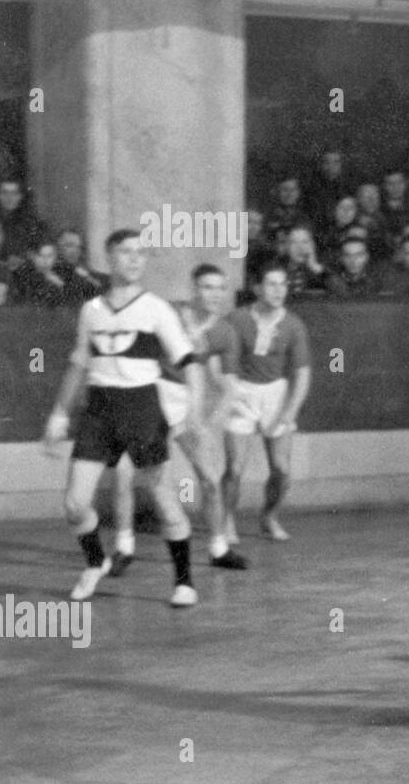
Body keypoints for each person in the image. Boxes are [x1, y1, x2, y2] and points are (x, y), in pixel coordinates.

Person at [42, 229, 205, 607]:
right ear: (109, 258)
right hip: (99, 412)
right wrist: (58, 414)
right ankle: (95, 562)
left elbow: (189, 364)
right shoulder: (91, 311)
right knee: (74, 504)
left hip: (143, 410)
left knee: (163, 498)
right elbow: (78, 363)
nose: (135, 259)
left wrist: (194, 413)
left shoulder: (156, 309)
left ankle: (184, 582)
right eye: (126, 252)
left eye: (141, 253)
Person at [109, 264, 249, 576]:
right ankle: (124, 546)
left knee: (210, 479)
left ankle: (219, 548)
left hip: (189, 402)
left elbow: (229, 386)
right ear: (193, 289)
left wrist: (208, 424)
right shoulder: (168, 312)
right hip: (152, 395)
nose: (214, 294)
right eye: (207, 287)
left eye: (220, 288)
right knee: (124, 473)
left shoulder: (225, 331)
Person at [222, 263, 312, 543]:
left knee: (282, 471)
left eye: (283, 284)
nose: (278, 290)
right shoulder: (236, 319)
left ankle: (269, 516)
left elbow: (303, 373)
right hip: (243, 391)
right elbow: (219, 359)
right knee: (235, 468)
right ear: (258, 288)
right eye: (271, 284)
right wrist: (229, 391)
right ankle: (226, 521)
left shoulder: (294, 324)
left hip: (276, 393)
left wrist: (290, 411)